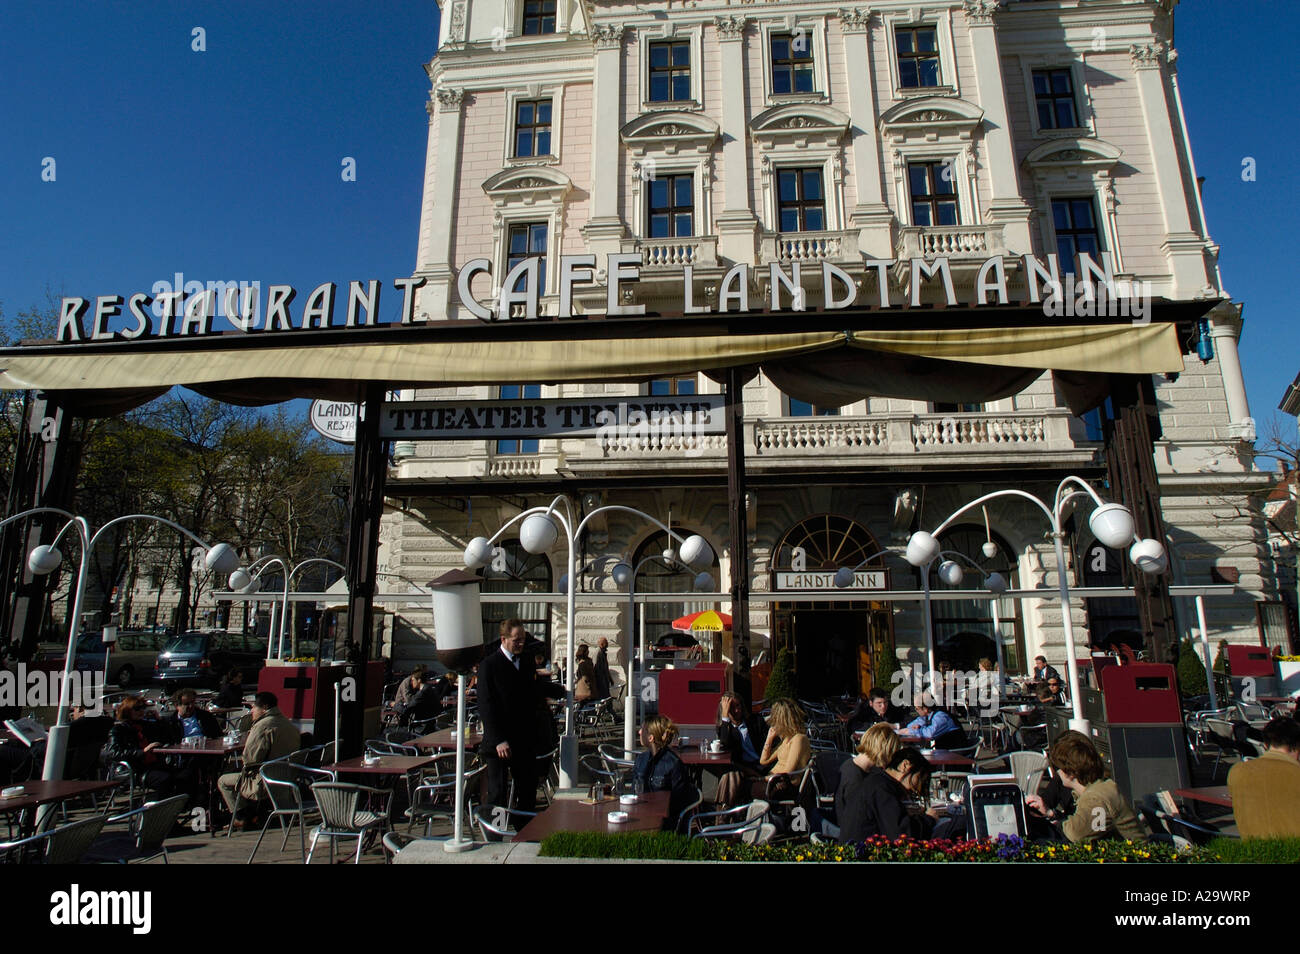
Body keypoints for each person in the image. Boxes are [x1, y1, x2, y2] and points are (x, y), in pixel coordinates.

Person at [478, 619, 565, 812]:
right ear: (504, 639)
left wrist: (563, 691)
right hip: (499, 743)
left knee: (527, 789)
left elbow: (535, 687)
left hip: (524, 738)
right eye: (516, 640)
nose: (521, 643)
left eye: (523, 639)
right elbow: (486, 705)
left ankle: (524, 826)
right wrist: (498, 739)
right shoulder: (489, 665)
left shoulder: (526, 660)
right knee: (498, 794)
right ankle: (497, 829)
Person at [1026, 732, 1145, 842]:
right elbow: (1087, 826)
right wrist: (1050, 813)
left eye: (1058, 768)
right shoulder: (1097, 788)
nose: (1057, 773)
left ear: (1070, 773)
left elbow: (1075, 834)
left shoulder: (1096, 798)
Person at [218, 691, 301, 828]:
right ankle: (253, 814)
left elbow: (250, 759)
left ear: (264, 708)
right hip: (287, 775)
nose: (251, 711)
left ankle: (241, 816)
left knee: (222, 780)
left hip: (264, 779)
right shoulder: (287, 722)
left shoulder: (262, 726)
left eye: (254, 707)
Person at [837, 746, 942, 841]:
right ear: (905, 765)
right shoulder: (881, 788)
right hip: (863, 851)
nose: (916, 788)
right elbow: (902, 833)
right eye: (918, 778)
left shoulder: (877, 781)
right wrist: (929, 819)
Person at [1227, 717, 1300, 838]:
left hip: (1252, 847)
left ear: (1265, 744)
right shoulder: (1295, 773)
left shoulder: (1237, 771)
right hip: (1292, 848)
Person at [105, 695, 178, 796]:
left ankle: (182, 802)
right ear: (127, 711)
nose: (141, 711)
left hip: (153, 765)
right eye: (137, 709)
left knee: (184, 774)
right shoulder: (118, 730)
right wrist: (143, 751)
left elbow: (170, 738)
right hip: (134, 769)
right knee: (165, 779)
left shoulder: (146, 725)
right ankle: (155, 803)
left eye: (143, 708)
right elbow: (113, 753)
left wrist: (159, 720)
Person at [633, 715, 695, 822]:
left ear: (650, 738)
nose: (639, 732)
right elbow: (634, 792)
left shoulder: (674, 764)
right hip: (641, 815)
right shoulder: (640, 760)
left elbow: (679, 802)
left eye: (642, 729)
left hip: (665, 821)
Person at [714, 691, 768, 807]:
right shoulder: (725, 729)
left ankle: (723, 811)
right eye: (732, 708)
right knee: (730, 774)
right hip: (743, 767)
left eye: (738, 706)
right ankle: (725, 811)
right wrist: (725, 717)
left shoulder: (756, 721)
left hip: (762, 764)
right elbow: (725, 745)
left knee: (729, 776)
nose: (737, 710)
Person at [842, 687, 908, 733]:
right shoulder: (863, 709)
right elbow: (852, 725)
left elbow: (908, 720)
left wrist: (895, 726)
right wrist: (877, 726)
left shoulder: (892, 707)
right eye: (879, 703)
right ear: (871, 703)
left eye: (885, 702)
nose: (883, 706)